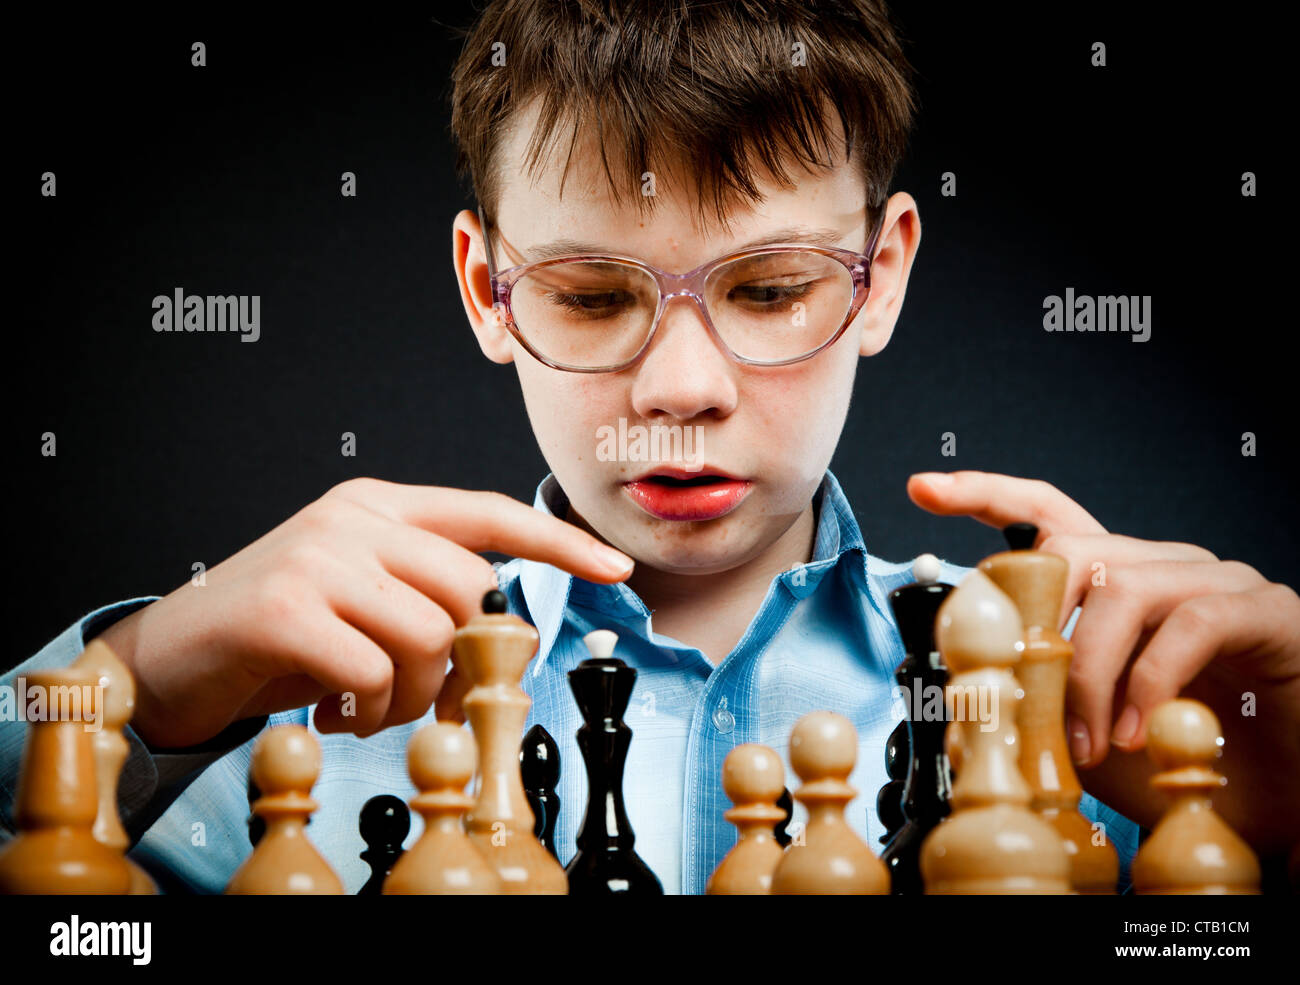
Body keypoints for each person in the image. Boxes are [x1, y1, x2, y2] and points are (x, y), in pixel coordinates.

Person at [3, 0, 1297, 894]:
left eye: (774, 287)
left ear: (883, 276)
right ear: (486, 289)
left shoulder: (1102, 713)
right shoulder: (316, 713)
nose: (681, 386)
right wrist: (126, 681)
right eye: (594, 294)